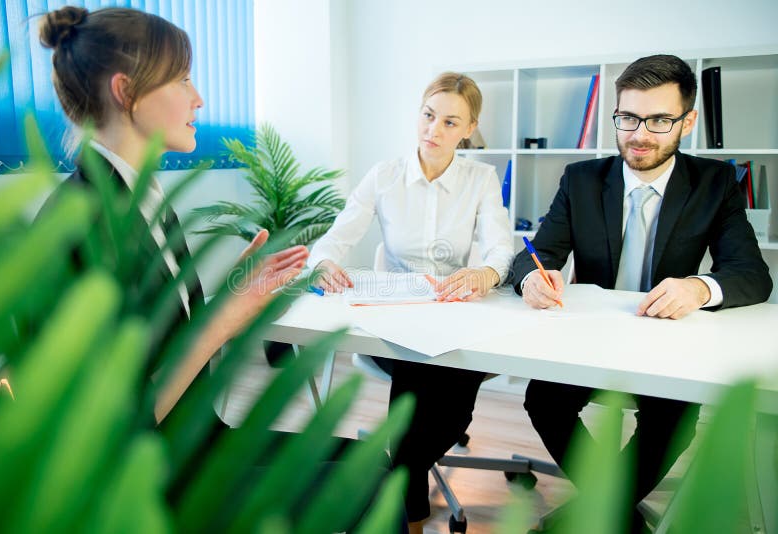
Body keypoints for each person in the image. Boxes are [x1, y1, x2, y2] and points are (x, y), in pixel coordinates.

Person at [38, 7, 401, 531]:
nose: (199, 98)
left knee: (376, 464)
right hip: (157, 480)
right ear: (127, 92)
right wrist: (225, 319)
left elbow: (163, 341)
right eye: (182, 78)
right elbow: (123, 424)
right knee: (370, 476)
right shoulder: (85, 224)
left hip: (196, 441)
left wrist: (236, 291)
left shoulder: (143, 198)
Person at [509, 54, 772, 532]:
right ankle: (615, 510)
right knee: (542, 399)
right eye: (628, 117)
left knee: (673, 416)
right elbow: (535, 254)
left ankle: (602, 511)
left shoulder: (715, 184)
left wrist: (698, 287)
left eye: (659, 120)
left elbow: (752, 274)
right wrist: (533, 277)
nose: (640, 133)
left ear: (687, 121)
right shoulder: (581, 179)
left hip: (667, 343)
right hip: (590, 340)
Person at [308, 72, 515, 533]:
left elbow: (502, 247)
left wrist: (485, 272)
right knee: (419, 390)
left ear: (469, 128)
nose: (433, 131)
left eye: (449, 122)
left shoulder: (480, 179)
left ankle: (398, 483)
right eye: (427, 116)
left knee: (438, 414)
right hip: (400, 321)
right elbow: (335, 239)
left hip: (456, 315)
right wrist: (322, 262)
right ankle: (410, 515)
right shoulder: (384, 177)